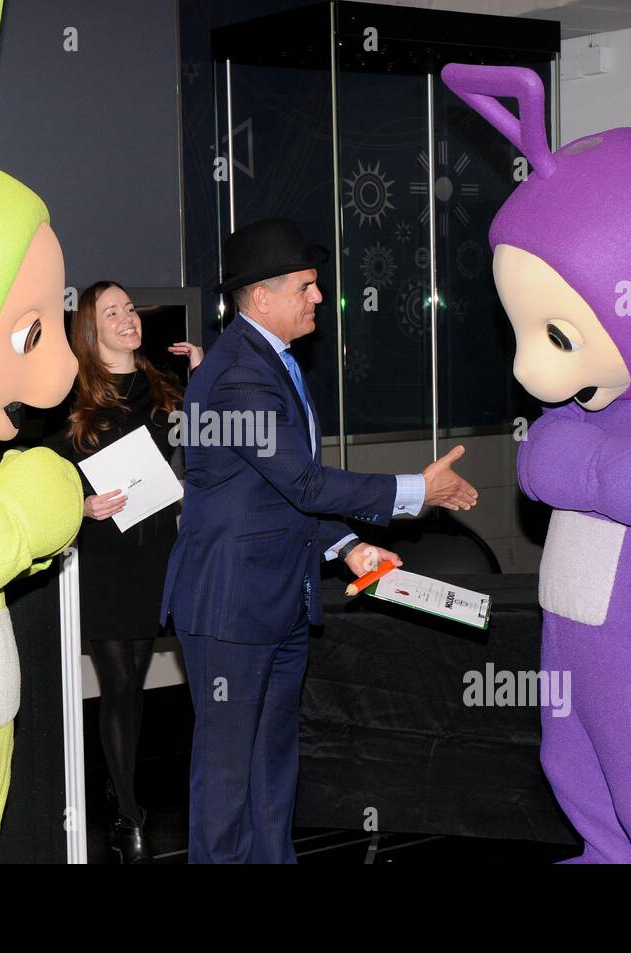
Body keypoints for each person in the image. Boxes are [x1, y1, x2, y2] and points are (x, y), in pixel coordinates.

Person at [161, 217, 478, 863]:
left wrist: (347, 547)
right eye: (306, 286)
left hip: (276, 598)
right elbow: (302, 482)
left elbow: (275, 492)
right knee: (227, 777)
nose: (317, 298)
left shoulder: (268, 362)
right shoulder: (235, 376)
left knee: (273, 767)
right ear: (261, 297)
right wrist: (414, 491)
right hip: (230, 608)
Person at [53, 280, 202, 863]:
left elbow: (213, 445)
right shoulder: (70, 397)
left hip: (157, 549)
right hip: (105, 554)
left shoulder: (167, 384)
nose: (128, 318)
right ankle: (128, 814)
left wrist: (210, 375)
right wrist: (81, 507)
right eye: (111, 312)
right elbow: (49, 474)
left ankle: (120, 787)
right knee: (118, 687)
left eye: (131, 308)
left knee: (134, 683)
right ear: (91, 330)